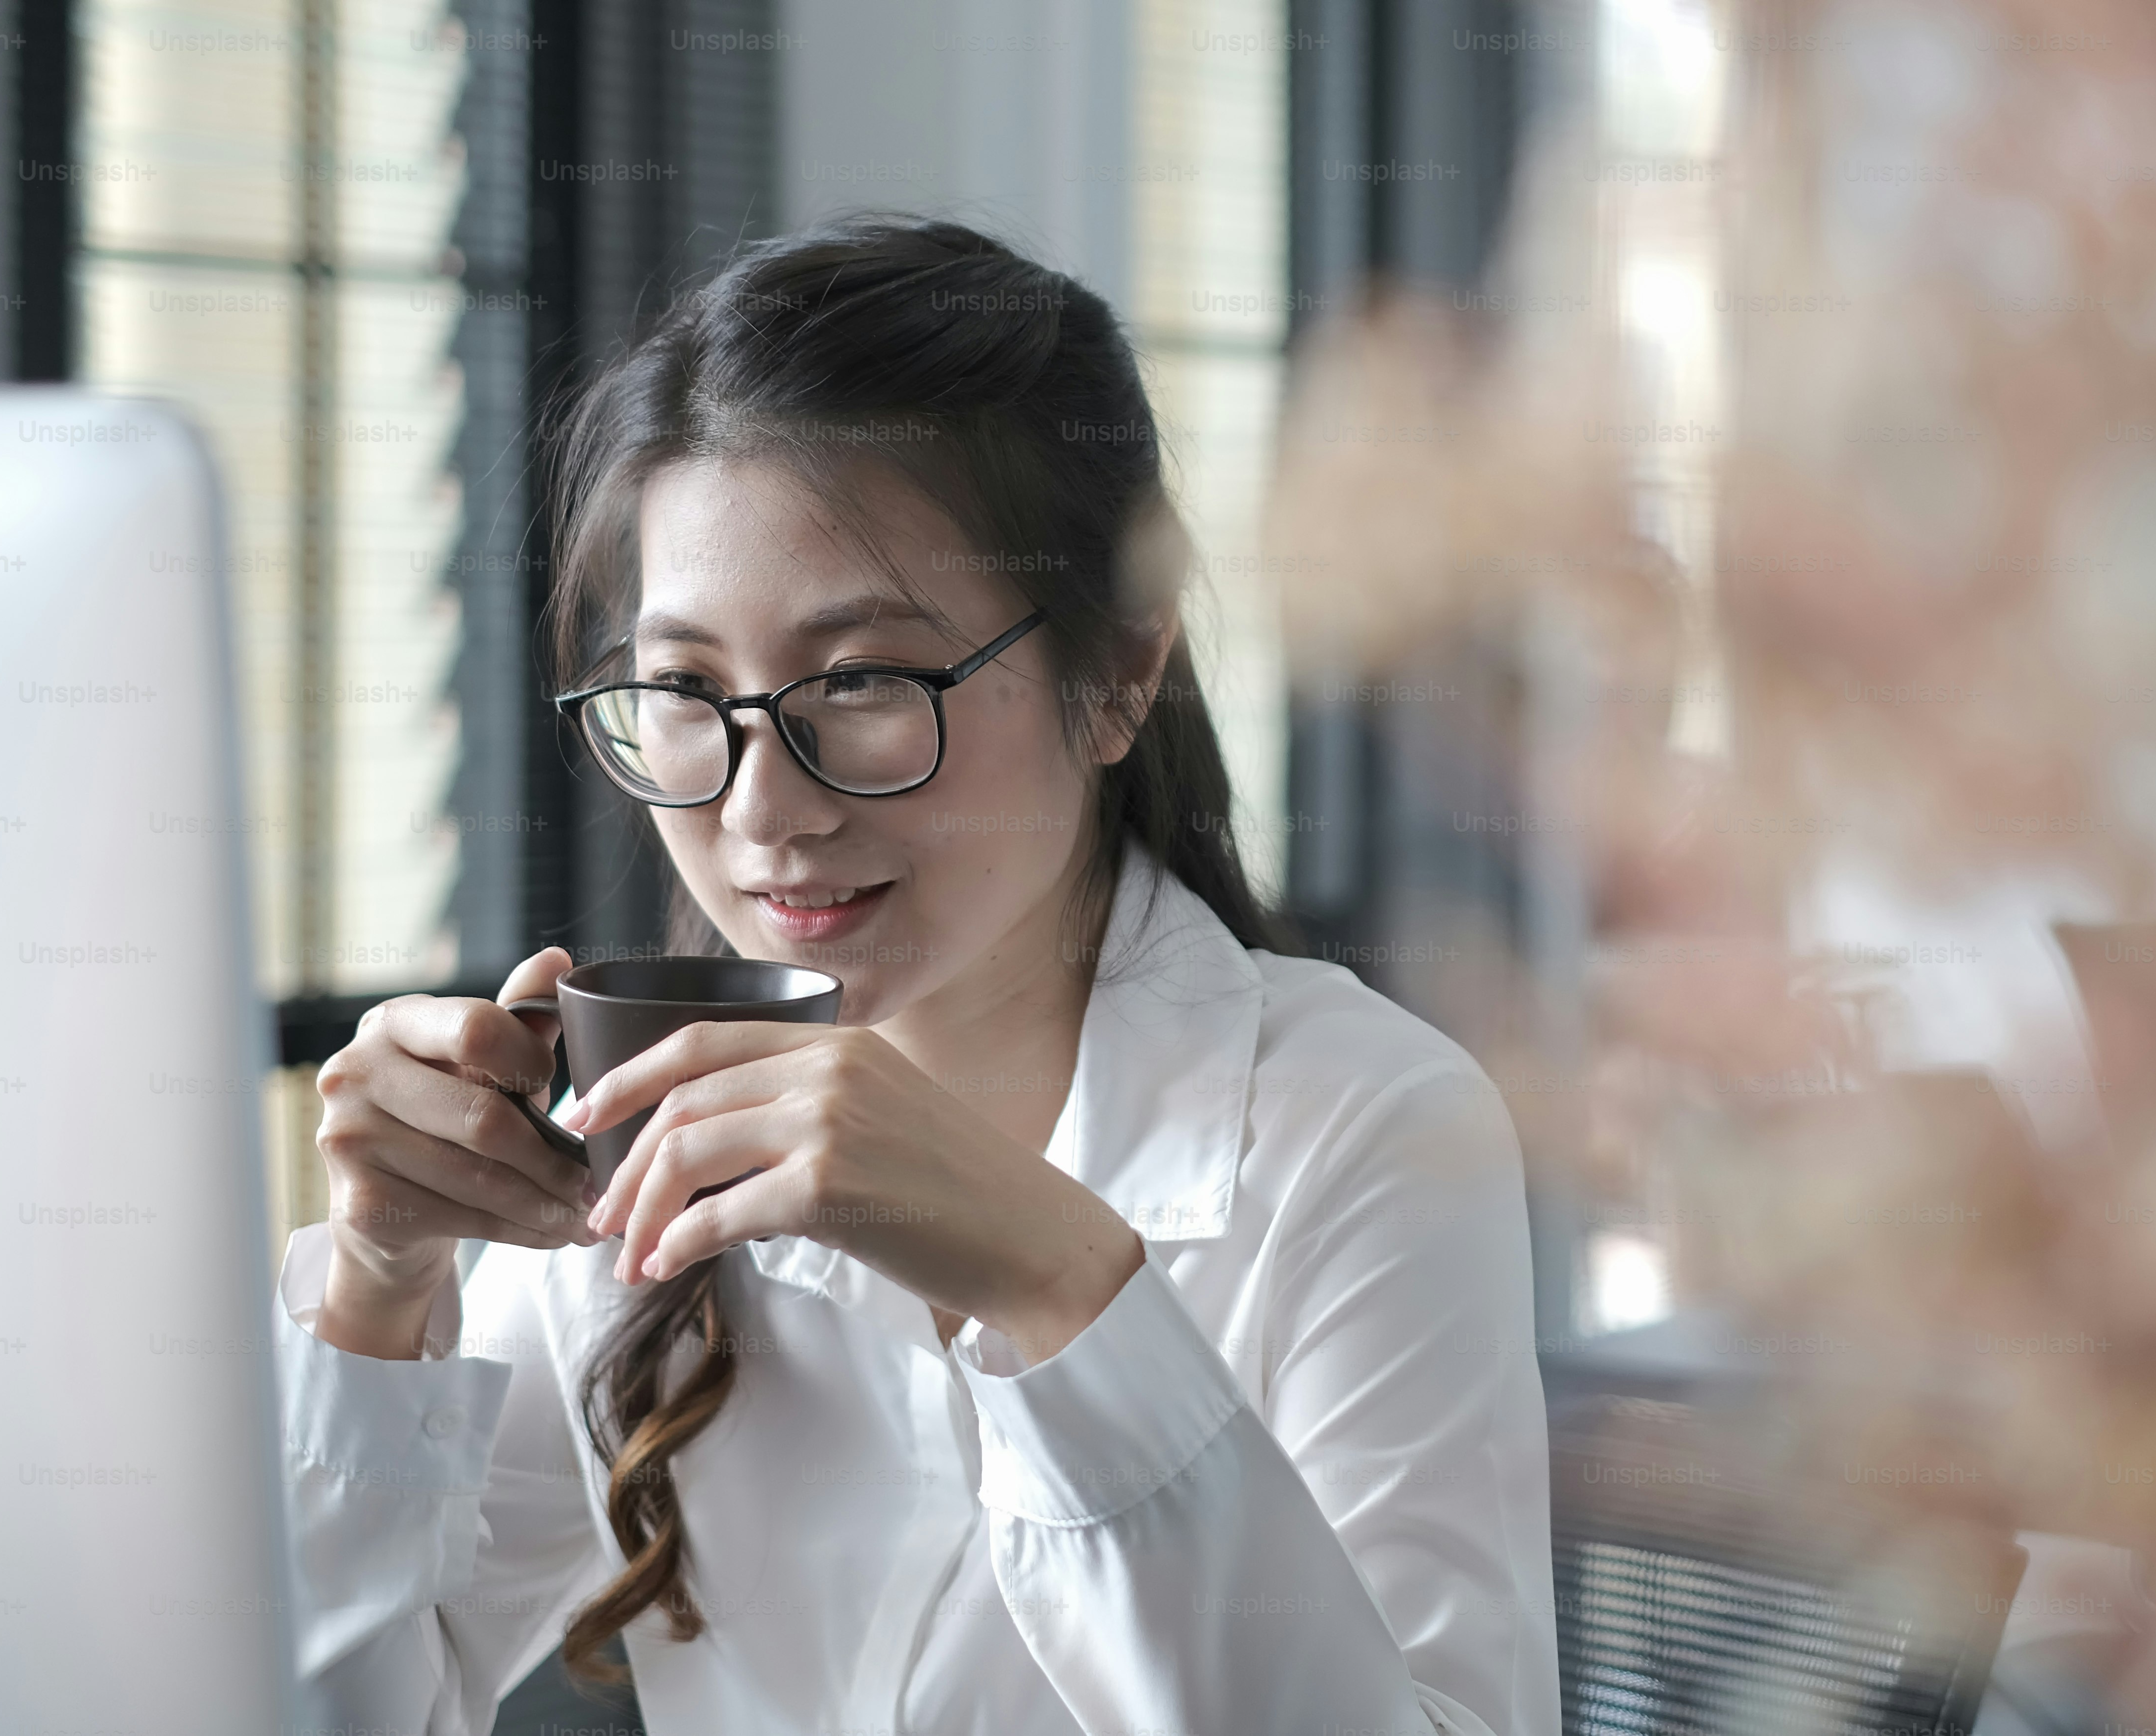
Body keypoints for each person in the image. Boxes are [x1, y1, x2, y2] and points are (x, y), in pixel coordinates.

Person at [278, 215, 1558, 1736]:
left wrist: (1057, 1288)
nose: (763, 815)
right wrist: (377, 1293)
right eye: (684, 692)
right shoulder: (643, 1137)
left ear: (1119, 674)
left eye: (867, 681)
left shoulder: (1371, 1129)